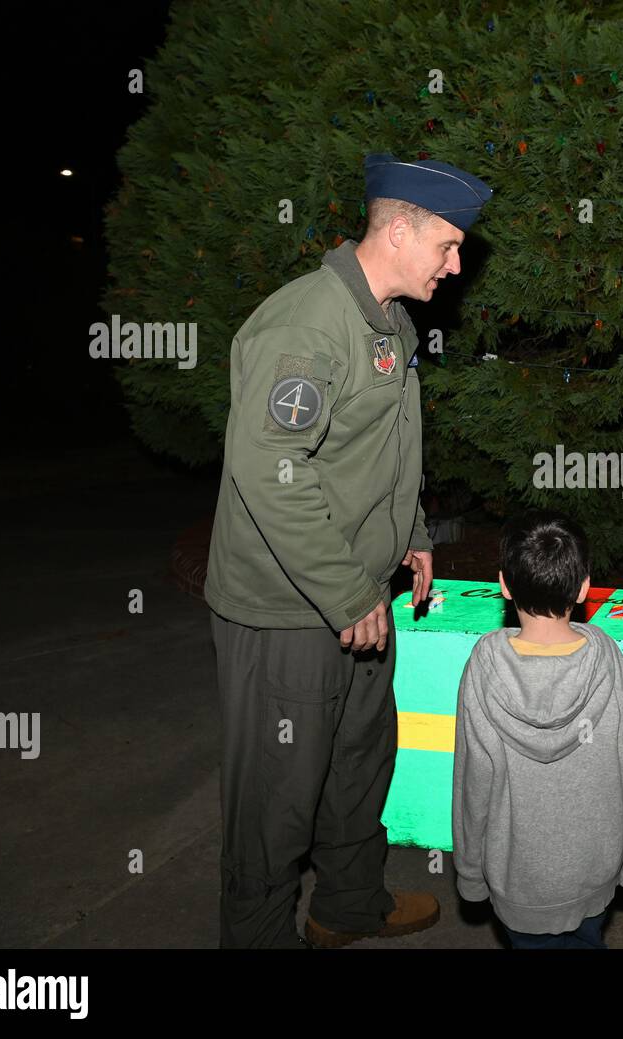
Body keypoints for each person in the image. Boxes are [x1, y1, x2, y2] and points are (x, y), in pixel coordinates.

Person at [203, 151, 492, 948]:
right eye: (448, 245)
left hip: (359, 591)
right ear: (399, 230)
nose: (457, 263)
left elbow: (380, 449)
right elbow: (271, 471)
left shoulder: (388, 319)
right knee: (276, 798)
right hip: (289, 607)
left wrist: (410, 537)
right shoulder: (307, 324)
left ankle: (348, 904)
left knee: (357, 759)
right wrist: (348, 593)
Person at [451, 511, 623, 949]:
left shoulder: (483, 667)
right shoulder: (609, 660)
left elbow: (473, 782)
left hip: (518, 882)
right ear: (584, 588)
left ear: (503, 584)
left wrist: (469, 872)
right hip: (593, 873)